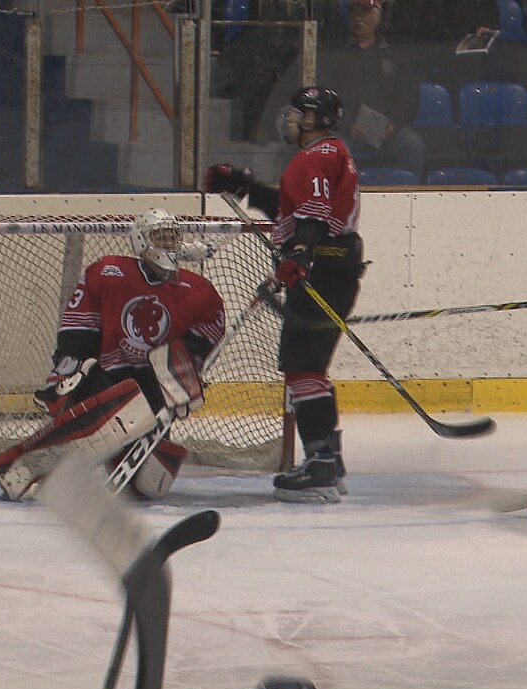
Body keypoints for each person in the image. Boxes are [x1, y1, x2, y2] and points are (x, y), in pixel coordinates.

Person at [205, 86, 366, 504]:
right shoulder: (329, 154)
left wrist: (300, 254)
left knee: (301, 368)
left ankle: (319, 466)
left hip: (322, 272)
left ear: (318, 119)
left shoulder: (316, 157)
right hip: (333, 268)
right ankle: (328, 458)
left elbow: (310, 222)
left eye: (300, 113)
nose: (291, 120)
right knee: (311, 368)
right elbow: (292, 208)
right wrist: (243, 185)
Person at [20, 208, 226, 499]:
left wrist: (184, 375)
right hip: (108, 379)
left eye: (172, 238)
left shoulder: (198, 289)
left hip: (154, 385)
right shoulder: (109, 272)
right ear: (142, 241)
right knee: (94, 425)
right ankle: (48, 464)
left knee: (148, 483)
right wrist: (65, 372)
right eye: (161, 238)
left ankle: (124, 457)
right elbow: (80, 325)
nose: (168, 245)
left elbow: (208, 332)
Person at [330, 0, 425, 178]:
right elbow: (328, 99)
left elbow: (410, 97)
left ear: (377, 16)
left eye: (364, 12)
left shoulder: (394, 55)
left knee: (413, 144)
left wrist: (394, 124)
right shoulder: (337, 54)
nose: (358, 18)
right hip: (348, 133)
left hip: (387, 136)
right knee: (333, 147)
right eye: (353, 12)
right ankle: (342, 199)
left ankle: (407, 196)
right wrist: (346, 124)